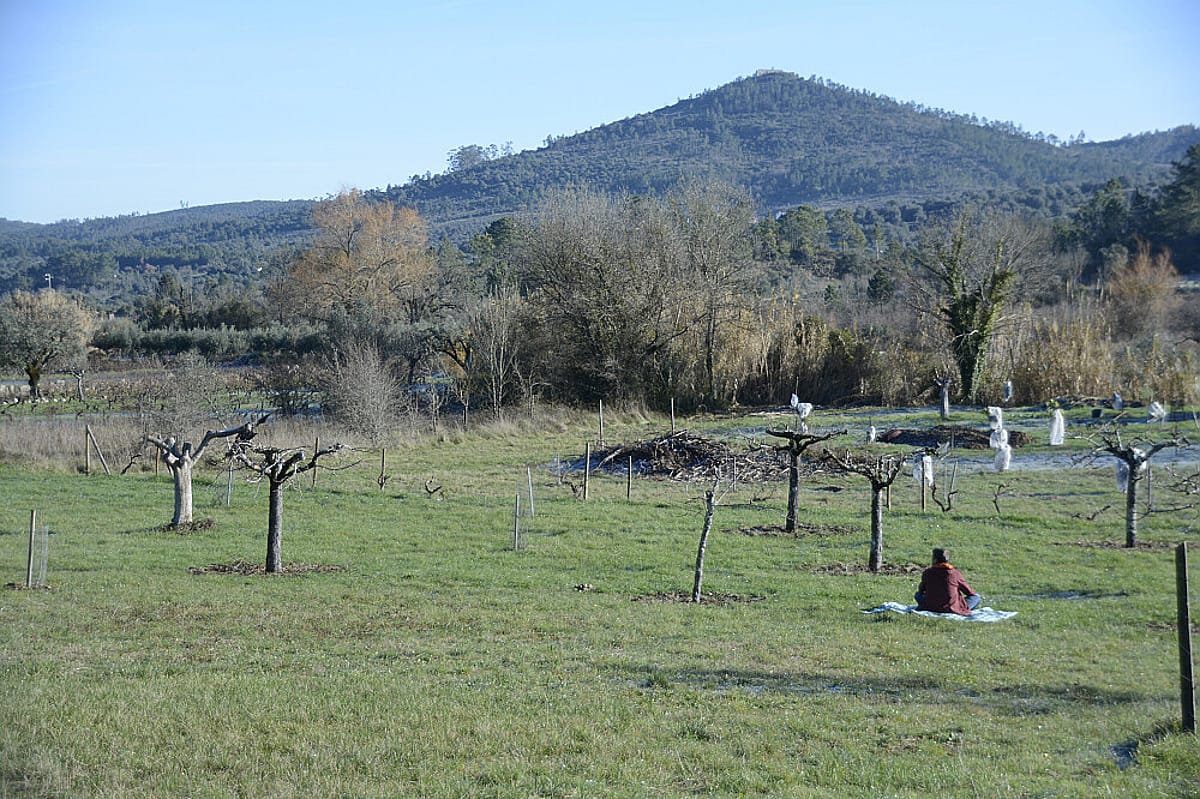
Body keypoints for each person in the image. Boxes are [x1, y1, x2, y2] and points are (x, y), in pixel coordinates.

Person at [914, 548, 981, 615]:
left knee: (917, 595)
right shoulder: (955, 573)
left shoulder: (927, 572)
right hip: (951, 609)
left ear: (934, 560)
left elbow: (921, 591)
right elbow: (970, 592)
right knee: (976, 597)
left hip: (929, 607)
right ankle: (961, 608)